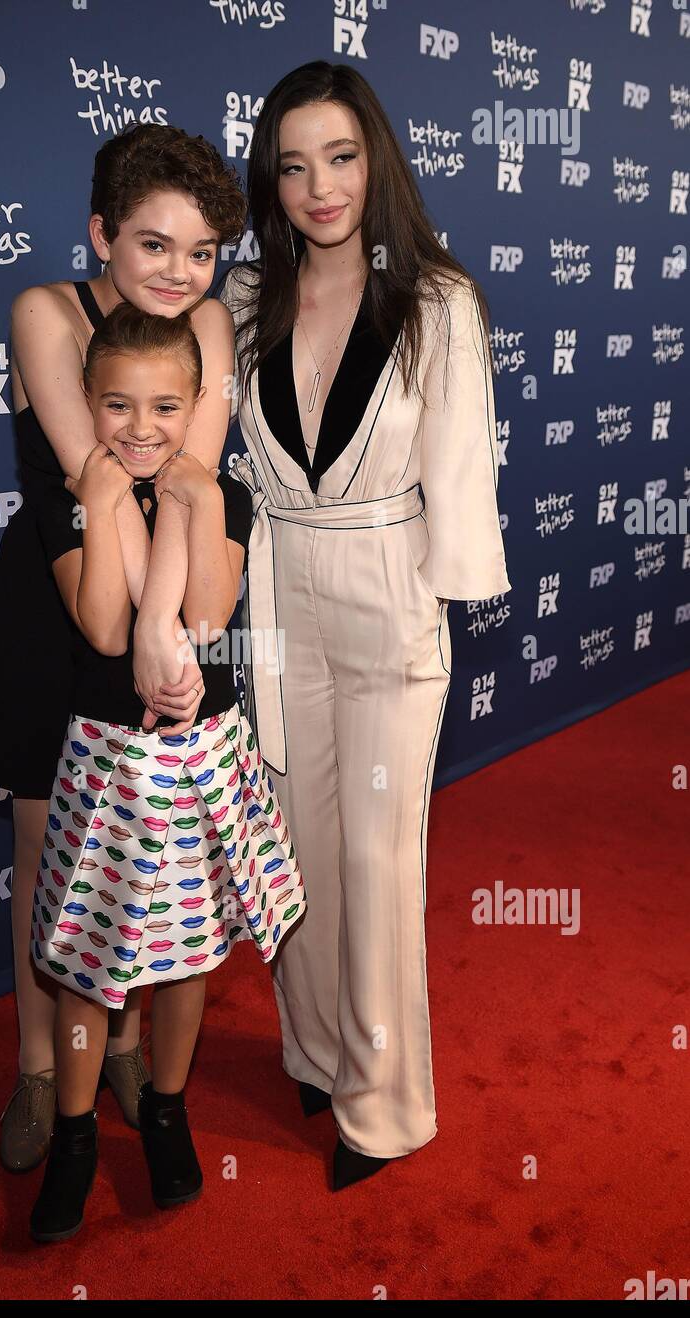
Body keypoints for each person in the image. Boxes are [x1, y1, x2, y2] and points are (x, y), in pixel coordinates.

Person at [218, 61, 512, 1190]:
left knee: (377, 861)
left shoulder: (436, 300)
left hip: (389, 595)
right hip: (282, 595)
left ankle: (382, 1106)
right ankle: (315, 1049)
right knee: (290, 850)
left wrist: (435, 602)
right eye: (292, 166)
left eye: (339, 157)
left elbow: (454, 466)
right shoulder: (246, 300)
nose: (318, 187)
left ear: (376, 160)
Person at [0, 124, 247, 1169]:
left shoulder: (212, 318)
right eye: (154, 244)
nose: (179, 272)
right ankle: (40, 1069)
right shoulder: (45, 310)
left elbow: (189, 478)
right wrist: (137, 637)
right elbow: (101, 473)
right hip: (57, 589)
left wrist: (161, 638)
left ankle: (120, 1048)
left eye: (202, 249)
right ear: (100, 235)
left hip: (160, 592)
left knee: (147, 854)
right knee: (52, 858)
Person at [26, 303, 307, 1242]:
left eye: (162, 407)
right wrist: (105, 503)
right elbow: (106, 628)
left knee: (191, 952)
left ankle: (165, 1109)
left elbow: (210, 614)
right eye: (116, 406)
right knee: (86, 962)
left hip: (203, 753)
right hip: (106, 763)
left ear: (197, 408)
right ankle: (73, 1138)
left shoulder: (222, 490)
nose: (140, 428)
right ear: (87, 406)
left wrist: (202, 500)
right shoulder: (72, 495)